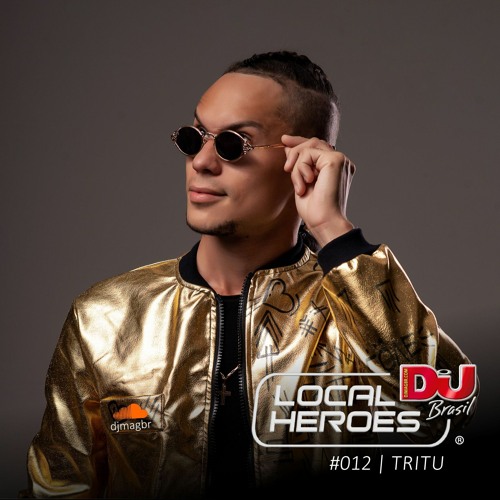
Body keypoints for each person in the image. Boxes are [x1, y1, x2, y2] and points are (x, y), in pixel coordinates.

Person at [21, 51, 478, 499]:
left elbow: (447, 416)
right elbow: (57, 488)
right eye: (194, 137)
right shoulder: (105, 318)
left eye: (231, 144)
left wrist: (333, 231)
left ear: (305, 160)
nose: (201, 162)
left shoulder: (353, 314)